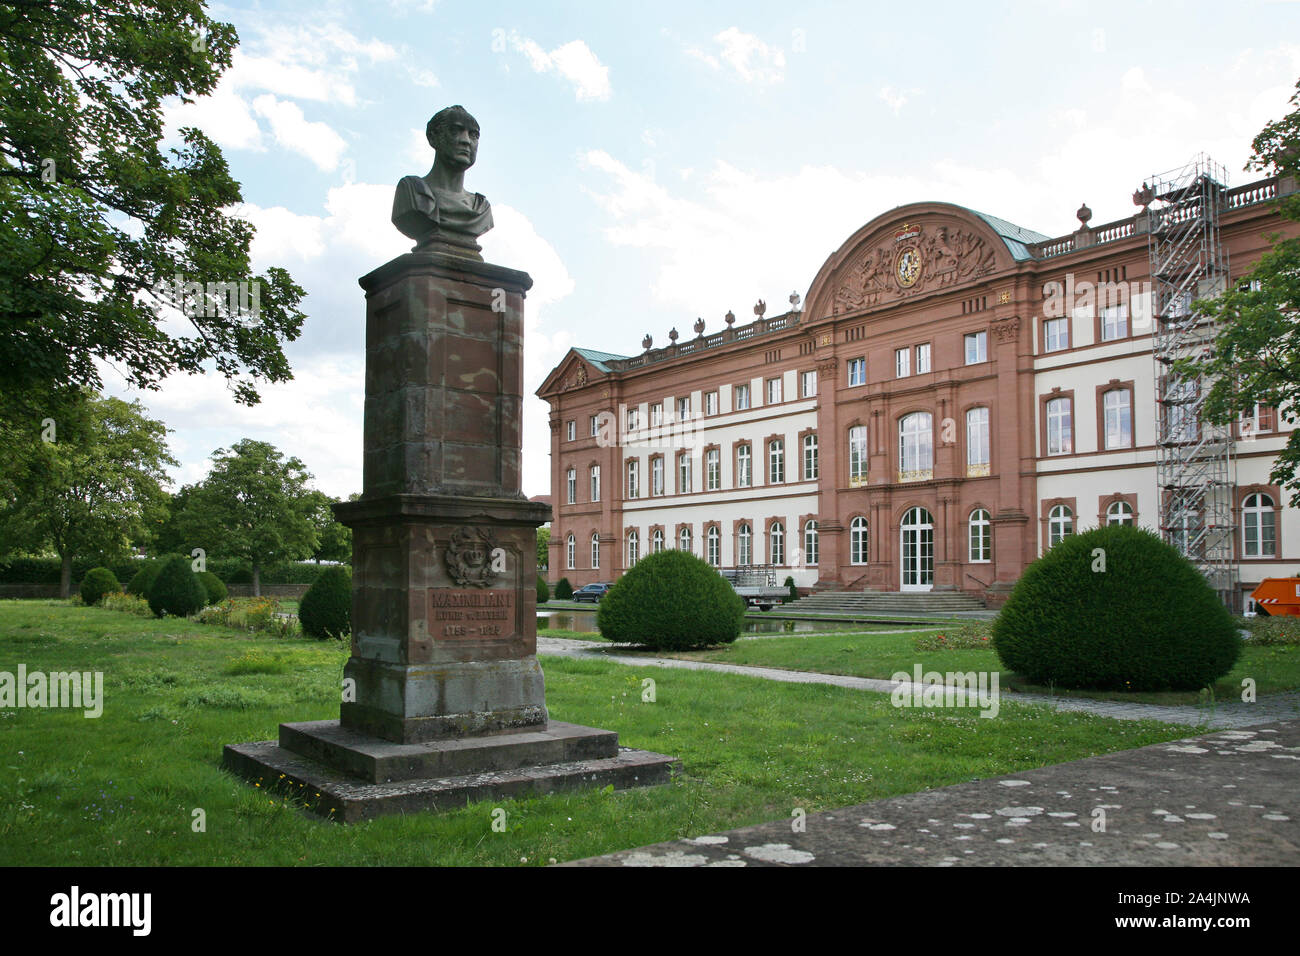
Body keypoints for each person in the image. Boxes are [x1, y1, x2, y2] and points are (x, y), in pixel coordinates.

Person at [391, 105, 494, 252]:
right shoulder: (412, 192)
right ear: (433, 137)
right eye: (455, 131)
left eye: (473, 135)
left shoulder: (481, 208)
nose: (466, 141)